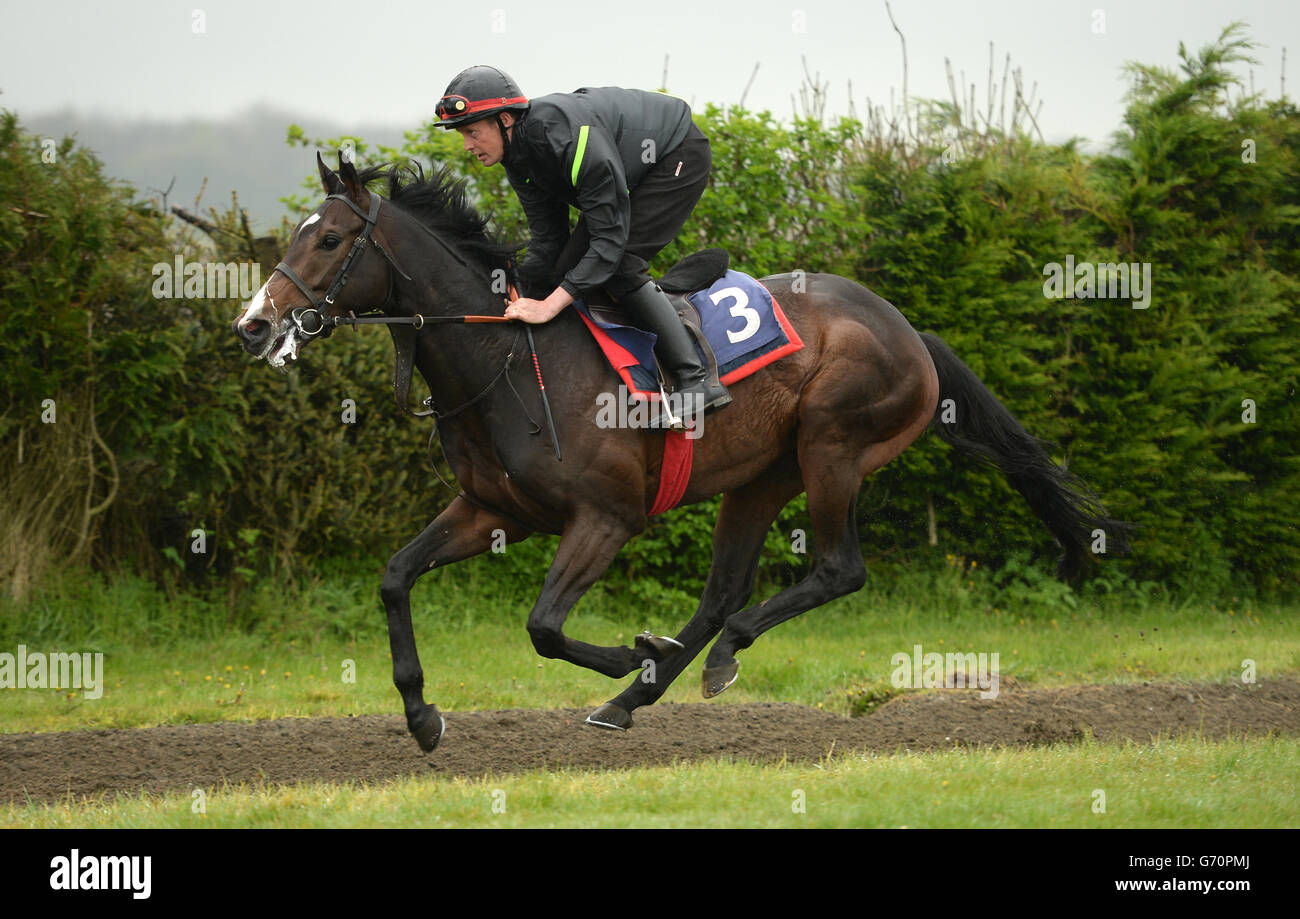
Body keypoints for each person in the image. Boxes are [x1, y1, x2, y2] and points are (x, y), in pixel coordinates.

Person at [435, 65, 731, 416]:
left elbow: (608, 244)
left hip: (674, 155)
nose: (467, 145)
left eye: (471, 132)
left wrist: (548, 306)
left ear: (504, 120)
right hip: (627, 166)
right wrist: (516, 290)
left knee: (621, 265)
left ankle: (696, 380)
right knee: (563, 269)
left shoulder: (568, 140)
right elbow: (549, 239)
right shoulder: (516, 155)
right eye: (462, 135)